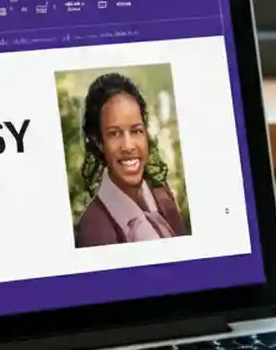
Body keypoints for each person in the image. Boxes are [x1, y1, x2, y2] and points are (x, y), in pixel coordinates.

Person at [73, 72, 189, 247]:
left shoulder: (161, 194)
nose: (128, 146)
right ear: (99, 142)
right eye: (114, 134)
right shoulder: (94, 230)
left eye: (136, 131)